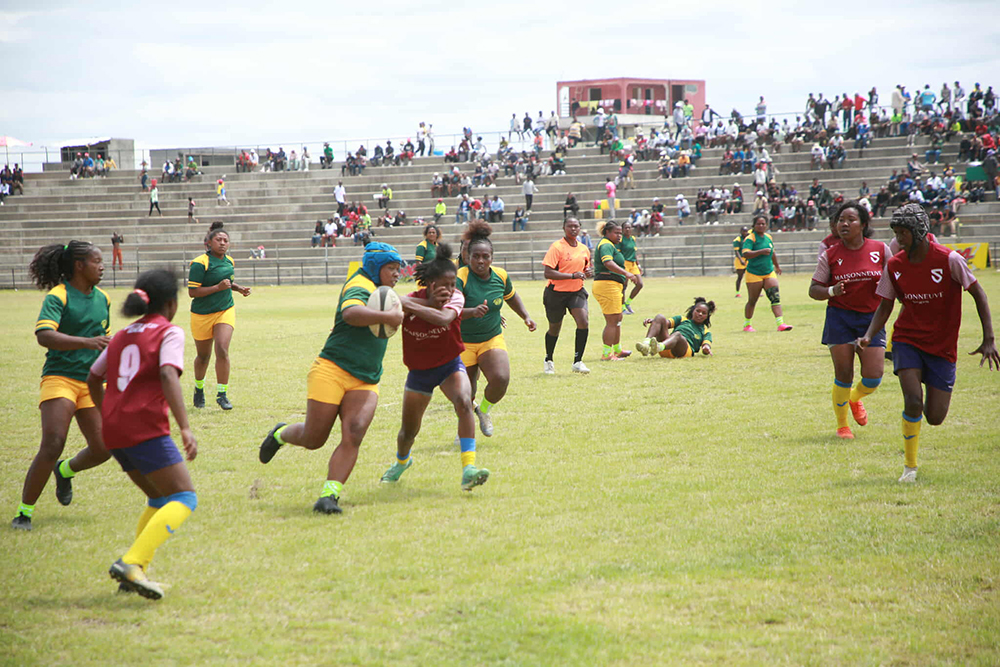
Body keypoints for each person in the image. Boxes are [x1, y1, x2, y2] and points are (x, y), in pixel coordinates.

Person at [259, 243, 404, 514]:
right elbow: (351, 313)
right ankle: (280, 433)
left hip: (366, 378)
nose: (398, 273)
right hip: (332, 369)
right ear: (376, 267)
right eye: (392, 268)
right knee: (314, 439)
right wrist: (389, 316)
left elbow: (403, 306)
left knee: (355, 430)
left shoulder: (383, 291)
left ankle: (329, 496)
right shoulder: (359, 284)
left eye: (399, 269)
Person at [858, 204, 998, 482]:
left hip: (942, 346)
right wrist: (869, 334)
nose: (899, 239)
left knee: (934, 416)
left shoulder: (949, 259)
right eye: (896, 233)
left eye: (904, 233)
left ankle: (928, 399)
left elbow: (979, 293)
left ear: (920, 232)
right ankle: (909, 468)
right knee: (912, 401)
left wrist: (989, 339)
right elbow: (885, 305)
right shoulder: (894, 265)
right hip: (907, 340)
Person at [86, 269, 197, 600]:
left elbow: (93, 377)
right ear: (171, 303)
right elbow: (167, 373)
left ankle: (132, 574)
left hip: (114, 431)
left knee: (158, 499)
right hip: (145, 427)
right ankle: (132, 563)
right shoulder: (169, 332)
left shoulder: (121, 334)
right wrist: (185, 427)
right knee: (184, 498)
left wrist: (108, 413)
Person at [12, 241, 112, 531]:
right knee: (54, 441)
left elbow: (104, 340)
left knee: (104, 448)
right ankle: (24, 512)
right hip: (60, 377)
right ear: (79, 266)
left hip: (91, 382)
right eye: (97, 261)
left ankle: (65, 470)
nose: (102, 266)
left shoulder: (103, 298)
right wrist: (87, 342)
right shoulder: (58, 296)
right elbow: (45, 335)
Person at [379, 243, 491, 492]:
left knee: (464, 402)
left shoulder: (454, 298)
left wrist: (405, 305)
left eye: (453, 284)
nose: (451, 289)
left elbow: (444, 318)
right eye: (445, 285)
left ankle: (468, 469)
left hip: (449, 365)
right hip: (419, 373)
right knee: (408, 432)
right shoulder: (408, 300)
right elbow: (386, 318)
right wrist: (404, 305)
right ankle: (402, 461)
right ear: (429, 285)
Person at [809, 201, 891, 439]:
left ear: (863, 224)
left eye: (851, 220)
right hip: (840, 317)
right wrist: (832, 290)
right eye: (840, 220)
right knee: (843, 374)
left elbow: (897, 277)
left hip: (872, 319)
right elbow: (814, 289)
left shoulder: (880, 249)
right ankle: (842, 425)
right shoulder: (830, 254)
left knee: (874, 377)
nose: (844, 224)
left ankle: (855, 399)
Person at [455, 222, 536, 437]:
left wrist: (526, 316)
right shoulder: (460, 277)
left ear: (492, 257)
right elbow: (448, 310)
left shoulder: (500, 275)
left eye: (485, 256)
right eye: (476, 257)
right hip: (462, 342)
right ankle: (465, 428)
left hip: (491, 338)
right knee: (465, 393)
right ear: (468, 257)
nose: (481, 261)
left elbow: (511, 297)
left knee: (501, 378)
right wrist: (471, 312)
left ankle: (484, 410)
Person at [187, 222, 251, 411]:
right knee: (203, 356)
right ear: (209, 242)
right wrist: (217, 288)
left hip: (225, 310)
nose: (223, 243)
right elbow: (193, 292)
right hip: (201, 315)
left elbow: (227, 282)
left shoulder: (229, 261)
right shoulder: (200, 263)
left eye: (226, 240)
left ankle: (222, 394)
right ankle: (199, 389)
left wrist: (237, 288)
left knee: (222, 349)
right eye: (219, 240)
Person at [542, 217, 593, 374]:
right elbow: (548, 272)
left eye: (576, 226)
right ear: (564, 228)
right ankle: (549, 359)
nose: (573, 229)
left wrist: (589, 272)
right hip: (555, 293)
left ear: (580, 228)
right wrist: (571, 276)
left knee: (583, 322)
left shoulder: (584, 248)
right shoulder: (557, 247)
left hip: (576, 292)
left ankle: (578, 362)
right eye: (570, 226)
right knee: (554, 328)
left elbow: (585, 270)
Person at [593, 220, 638, 361]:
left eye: (620, 233)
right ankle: (606, 354)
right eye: (616, 233)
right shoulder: (606, 244)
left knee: (618, 318)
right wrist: (627, 273)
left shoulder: (611, 245)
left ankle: (617, 350)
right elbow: (608, 262)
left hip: (613, 285)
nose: (619, 235)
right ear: (607, 232)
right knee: (612, 320)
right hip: (607, 285)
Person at [742, 214, 793, 332]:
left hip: (768, 272)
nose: (761, 226)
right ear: (754, 226)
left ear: (767, 225)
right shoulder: (750, 238)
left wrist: (777, 266)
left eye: (763, 224)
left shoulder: (768, 237)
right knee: (752, 300)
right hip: (754, 273)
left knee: (775, 297)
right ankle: (747, 324)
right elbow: (746, 254)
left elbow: (772, 252)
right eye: (758, 224)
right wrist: (761, 252)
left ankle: (781, 324)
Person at [635, 297, 715, 358]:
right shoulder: (682, 319)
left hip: (682, 351)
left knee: (678, 335)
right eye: (698, 311)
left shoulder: (705, 331)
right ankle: (645, 345)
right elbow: (665, 323)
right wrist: (654, 321)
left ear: (707, 316)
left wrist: (706, 348)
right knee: (660, 317)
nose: (700, 314)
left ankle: (658, 347)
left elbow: (706, 345)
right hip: (666, 347)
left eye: (703, 313)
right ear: (693, 311)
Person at [619, 221, 643, 314]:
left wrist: (638, 265)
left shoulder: (633, 239)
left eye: (629, 227)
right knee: (624, 286)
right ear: (622, 229)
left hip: (633, 264)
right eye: (626, 228)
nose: (628, 229)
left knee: (639, 284)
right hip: (625, 263)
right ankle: (622, 307)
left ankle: (628, 302)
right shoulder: (621, 240)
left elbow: (634, 253)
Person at [733, 226, 749, 298]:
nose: (745, 233)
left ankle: (754, 292)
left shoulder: (748, 239)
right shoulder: (737, 240)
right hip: (740, 260)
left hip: (748, 259)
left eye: (746, 231)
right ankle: (737, 292)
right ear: (741, 232)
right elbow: (736, 251)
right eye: (744, 231)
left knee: (751, 276)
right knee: (740, 277)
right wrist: (741, 260)